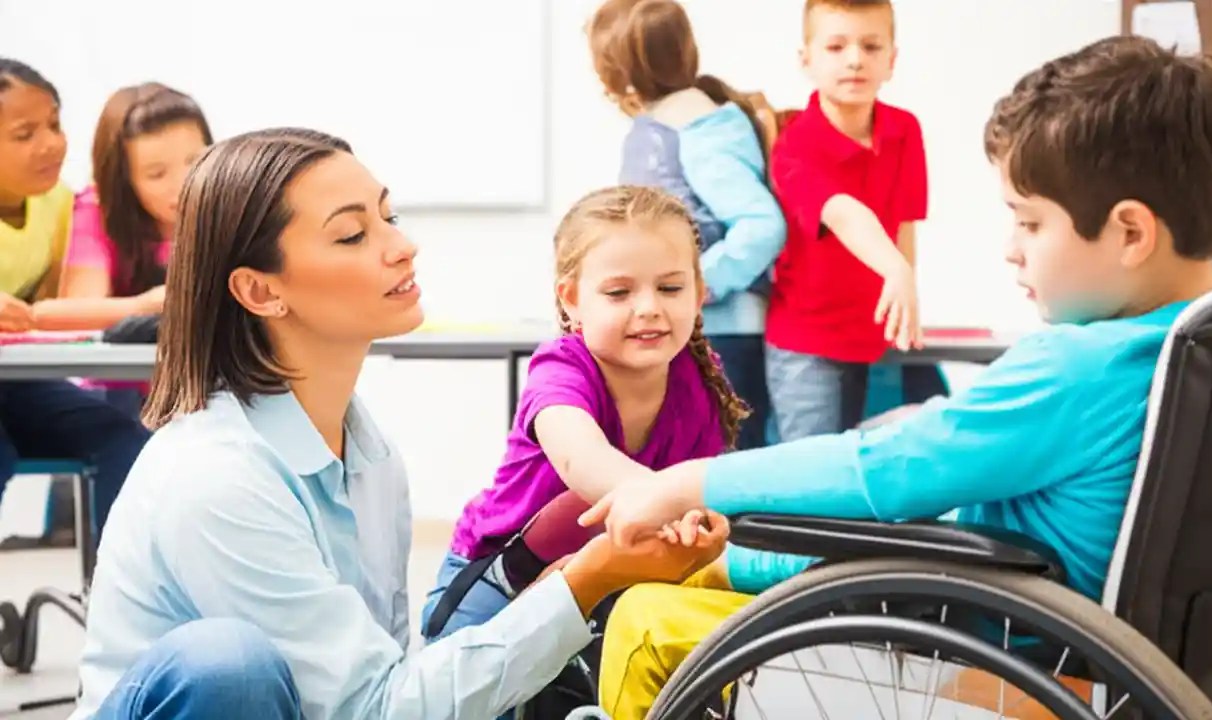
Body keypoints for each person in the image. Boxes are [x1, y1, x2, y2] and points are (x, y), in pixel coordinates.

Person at [582, 34, 1212, 717]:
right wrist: (738, 560)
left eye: (1029, 222)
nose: (1012, 249)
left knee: (645, 619)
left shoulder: (1082, 367)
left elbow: (883, 473)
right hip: (1143, 686)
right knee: (714, 574)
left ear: (1130, 233)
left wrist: (682, 483)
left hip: (1009, 683)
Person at [70, 128, 727, 720]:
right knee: (229, 667)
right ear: (262, 291)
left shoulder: (368, 450)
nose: (403, 246)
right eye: (353, 235)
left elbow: (387, 682)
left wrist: (593, 577)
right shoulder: (218, 477)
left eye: (389, 218)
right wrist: (588, 579)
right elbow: (372, 708)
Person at [422, 185, 745, 643]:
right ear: (571, 299)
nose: (649, 308)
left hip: (612, 582)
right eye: (619, 292)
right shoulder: (562, 368)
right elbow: (582, 461)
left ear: (699, 294)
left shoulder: (699, 378)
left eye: (670, 288)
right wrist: (675, 502)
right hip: (499, 582)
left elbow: (704, 493)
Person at [587, 0, 787, 450]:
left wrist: (694, 286)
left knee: (723, 474)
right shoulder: (663, 126)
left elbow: (761, 226)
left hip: (722, 337)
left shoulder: (700, 129)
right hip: (686, 332)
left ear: (619, 71)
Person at [0, 57, 149, 541]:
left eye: (54, 124)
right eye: (24, 135)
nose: (51, 144)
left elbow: (47, 315)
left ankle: (118, 580)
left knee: (121, 439)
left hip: (16, 383)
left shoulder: (59, 204)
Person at [765, 0, 927, 440]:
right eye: (836, 47)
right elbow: (843, 213)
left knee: (866, 467)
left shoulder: (905, 130)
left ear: (892, 59)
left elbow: (905, 222)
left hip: (872, 338)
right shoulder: (794, 142)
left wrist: (907, 295)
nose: (855, 59)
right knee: (809, 471)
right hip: (806, 345)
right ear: (806, 60)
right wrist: (897, 269)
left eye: (871, 46)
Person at [36, 82, 212, 416]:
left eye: (195, 161)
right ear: (124, 181)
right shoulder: (97, 213)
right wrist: (146, 305)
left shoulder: (231, 207)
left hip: (210, 390)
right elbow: (70, 312)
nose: (183, 183)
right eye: (156, 174)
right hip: (123, 394)